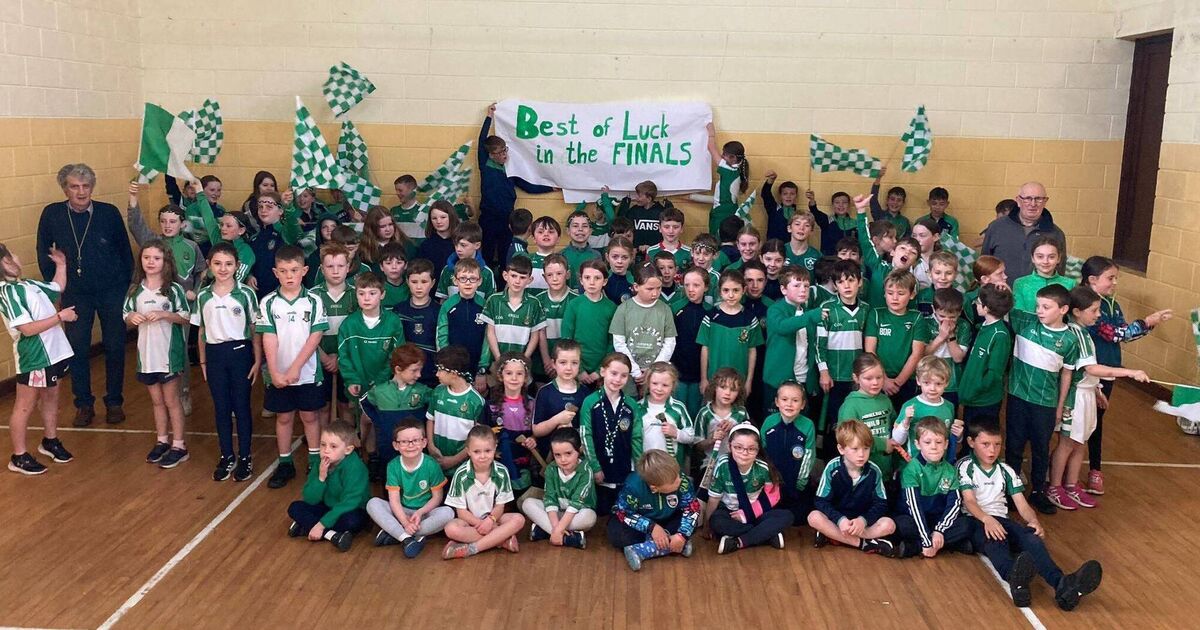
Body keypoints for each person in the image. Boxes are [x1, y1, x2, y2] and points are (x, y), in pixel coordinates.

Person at [958, 420, 1104, 611]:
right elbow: (969, 501)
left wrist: (1033, 521)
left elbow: (1021, 503)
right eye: (985, 444)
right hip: (977, 520)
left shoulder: (1005, 469)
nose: (992, 450)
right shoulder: (965, 466)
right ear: (971, 442)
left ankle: (1063, 585)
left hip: (1002, 520)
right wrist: (986, 519)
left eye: (997, 444)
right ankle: (1015, 579)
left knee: (1031, 539)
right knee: (996, 545)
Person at [36, 163, 132, 427]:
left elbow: (125, 253)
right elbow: (44, 253)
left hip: (111, 290)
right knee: (77, 348)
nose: (81, 192)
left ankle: (114, 402)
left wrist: (125, 287)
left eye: (86, 186)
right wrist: (55, 289)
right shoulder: (52, 214)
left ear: (92, 187)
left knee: (114, 347)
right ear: (65, 189)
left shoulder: (108, 213)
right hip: (76, 294)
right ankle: (84, 404)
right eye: (74, 186)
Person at [1047, 286, 1150, 511]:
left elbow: (1084, 371)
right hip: (1075, 398)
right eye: (1094, 310)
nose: (1098, 314)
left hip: (1087, 395)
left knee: (1080, 442)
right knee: (1067, 443)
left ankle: (1072, 485)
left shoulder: (1084, 333)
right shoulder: (1075, 333)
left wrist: (1096, 391)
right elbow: (1090, 368)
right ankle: (1055, 486)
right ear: (1076, 312)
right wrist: (1130, 372)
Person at [1079, 256, 1171, 495]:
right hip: (1088, 372)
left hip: (1109, 371)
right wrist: (1145, 322)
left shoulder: (1112, 304)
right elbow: (1112, 333)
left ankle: (1094, 470)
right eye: (1110, 278)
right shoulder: (1084, 304)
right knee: (1076, 425)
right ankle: (1058, 473)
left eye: (1115, 278)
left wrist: (1149, 325)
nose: (1114, 283)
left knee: (1097, 423)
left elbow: (1125, 335)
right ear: (1092, 280)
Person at [0, 243, 76, 475]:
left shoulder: (29, 284)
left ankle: (50, 441)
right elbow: (27, 329)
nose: (16, 258)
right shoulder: (7, 292)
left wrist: (61, 265)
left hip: (56, 352)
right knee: (25, 405)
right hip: (34, 357)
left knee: (52, 397)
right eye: (10, 256)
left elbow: (57, 287)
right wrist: (60, 317)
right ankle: (19, 455)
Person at [258, 245, 329, 489]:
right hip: (279, 374)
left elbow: (315, 337)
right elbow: (268, 337)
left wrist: (296, 368)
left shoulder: (314, 301)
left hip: (307, 372)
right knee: (284, 417)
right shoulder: (268, 302)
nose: (289, 276)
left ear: (304, 271)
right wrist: (275, 371)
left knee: (310, 416)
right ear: (275, 272)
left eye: (294, 270)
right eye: (284, 271)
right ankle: (285, 462)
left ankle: (315, 459)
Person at [1007, 284, 1079, 515]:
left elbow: (1067, 373)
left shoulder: (1070, 339)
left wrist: (1059, 406)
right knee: (1014, 446)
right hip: (1018, 397)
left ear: (1063, 309)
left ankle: (1038, 492)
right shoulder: (1025, 323)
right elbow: (1002, 306)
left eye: (1046, 307)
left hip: (1045, 403)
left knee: (1040, 448)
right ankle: (1011, 491)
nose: (1039, 310)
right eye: (1038, 306)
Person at [193, 243, 261, 482]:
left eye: (228, 264)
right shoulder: (203, 295)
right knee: (221, 407)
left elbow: (254, 329)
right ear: (209, 265)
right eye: (217, 263)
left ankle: (245, 456)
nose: (223, 269)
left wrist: (257, 359)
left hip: (240, 353)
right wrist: (202, 362)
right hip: (214, 356)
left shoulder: (246, 294)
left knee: (241, 406)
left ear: (237, 266)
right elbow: (201, 330)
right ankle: (226, 455)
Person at [124, 241, 192, 469]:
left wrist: (165, 314)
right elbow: (126, 314)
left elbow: (185, 316)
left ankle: (179, 445)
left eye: (156, 258)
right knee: (156, 401)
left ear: (166, 262)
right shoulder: (135, 289)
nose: (151, 262)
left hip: (168, 354)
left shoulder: (173, 290)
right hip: (146, 355)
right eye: (146, 258)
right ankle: (162, 440)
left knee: (172, 400)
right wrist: (131, 317)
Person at [478, 103, 556, 267]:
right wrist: (489, 117)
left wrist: (550, 187)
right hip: (489, 217)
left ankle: (504, 282)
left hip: (508, 218)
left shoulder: (510, 168)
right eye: (499, 153)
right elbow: (481, 140)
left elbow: (528, 186)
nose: (504, 155)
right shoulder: (485, 165)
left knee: (506, 254)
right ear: (491, 155)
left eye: (505, 150)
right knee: (487, 252)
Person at [366, 418, 454, 558]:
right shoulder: (393, 466)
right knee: (373, 504)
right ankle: (407, 538)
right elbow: (394, 501)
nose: (410, 445)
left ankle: (397, 534)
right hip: (402, 511)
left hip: (425, 513)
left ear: (424, 442)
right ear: (396, 445)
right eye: (404, 442)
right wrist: (404, 521)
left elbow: (437, 497)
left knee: (448, 513)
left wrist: (420, 513)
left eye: (415, 440)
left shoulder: (431, 465)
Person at [806, 420, 896, 555]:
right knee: (813, 517)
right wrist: (840, 520)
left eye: (866, 448)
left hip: (862, 522)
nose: (861, 454)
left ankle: (835, 536)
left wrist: (863, 520)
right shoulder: (832, 468)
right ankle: (863, 544)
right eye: (855, 449)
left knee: (889, 525)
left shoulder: (874, 471)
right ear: (841, 449)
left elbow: (881, 504)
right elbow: (821, 501)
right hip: (838, 520)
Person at [705, 423, 793, 553]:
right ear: (730, 447)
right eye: (738, 447)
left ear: (758, 450)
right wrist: (707, 526)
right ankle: (765, 535)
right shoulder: (723, 465)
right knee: (717, 521)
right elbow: (713, 499)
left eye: (751, 449)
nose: (744, 453)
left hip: (755, 512)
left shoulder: (763, 468)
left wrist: (746, 515)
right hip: (729, 512)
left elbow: (773, 496)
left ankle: (738, 542)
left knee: (787, 516)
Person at [442, 425, 527, 559]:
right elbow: (461, 511)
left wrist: (490, 521)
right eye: (477, 451)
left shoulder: (501, 472)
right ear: (468, 451)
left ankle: (472, 548)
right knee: (451, 529)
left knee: (518, 519)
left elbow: (500, 506)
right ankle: (501, 539)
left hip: (494, 519)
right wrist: (479, 523)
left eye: (487, 451)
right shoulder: (461, 474)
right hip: (470, 522)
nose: (482, 456)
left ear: (494, 449)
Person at [608, 449, 700, 571]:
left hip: (669, 519)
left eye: (678, 474)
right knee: (616, 534)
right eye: (673, 481)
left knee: (692, 524)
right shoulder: (633, 486)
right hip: (643, 523)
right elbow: (623, 513)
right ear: (654, 488)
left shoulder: (681, 481)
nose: (679, 480)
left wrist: (682, 535)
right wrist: (652, 528)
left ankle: (643, 550)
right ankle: (673, 545)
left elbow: (691, 508)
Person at [286, 420, 370, 552]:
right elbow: (310, 499)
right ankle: (332, 536)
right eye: (323, 445)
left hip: (351, 509)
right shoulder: (321, 463)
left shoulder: (355, 468)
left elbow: (350, 502)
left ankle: (308, 526)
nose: (326, 451)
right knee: (295, 508)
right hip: (328, 507)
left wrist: (321, 524)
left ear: (348, 450)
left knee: (353, 521)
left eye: (333, 447)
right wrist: (321, 478)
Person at [893, 418, 970, 558]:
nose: (934, 447)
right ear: (917, 444)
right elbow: (914, 507)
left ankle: (916, 547)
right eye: (927, 442)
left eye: (939, 442)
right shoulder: (911, 470)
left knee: (966, 524)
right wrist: (926, 540)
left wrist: (940, 530)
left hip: (937, 520)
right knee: (902, 525)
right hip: (915, 518)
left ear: (946, 444)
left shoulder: (950, 471)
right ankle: (943, 544)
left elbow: (955, 504)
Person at [579, 353, 642, 514]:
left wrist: (639, 469)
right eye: (614, 373)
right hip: (598, 471)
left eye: (624, 375)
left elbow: (636, 439)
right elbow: (585, 437)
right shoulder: (590, 402)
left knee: (621, 513)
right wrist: (595, 467)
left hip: (623, 470)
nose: (617, 379)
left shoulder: (631, 405)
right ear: (603, 372)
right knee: (598, 513)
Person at [816, 260, 869, 448]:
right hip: (834, 375)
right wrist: (823, 371)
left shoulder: (866, 310)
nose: (846, 286)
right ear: (835, 285)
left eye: (851, 280)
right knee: (836, 421)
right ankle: (832, 457)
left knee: (855, 421)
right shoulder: (827, 308)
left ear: (860, 282)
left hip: (857, 377)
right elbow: (818, 344)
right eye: (841, 282)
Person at [521, 427, 596, 549]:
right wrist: (556, 528)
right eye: (557, 455)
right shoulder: (551, 469)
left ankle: (545, 531)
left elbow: (576, 504)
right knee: (527, 504)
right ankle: (568, 538)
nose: (563, 459)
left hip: (576, 515)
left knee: (590, 517)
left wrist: (558, 529)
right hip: (556, 514)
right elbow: (550, 499)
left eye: (568, 453)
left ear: (579, 450)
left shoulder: (586, 471)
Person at [763, 266, 822, 417]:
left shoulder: (806, 312)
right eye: (797, 285)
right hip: (777, 380)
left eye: (807, 286)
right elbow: (783, 327)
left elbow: (810, 347)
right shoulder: (775, 309)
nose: (803, 290)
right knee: (774, 424)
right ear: (783, 289)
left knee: (802, 424)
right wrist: (810, 317)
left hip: (803, 379)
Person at [864, 270, 926, 411]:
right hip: (878, 379)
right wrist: (884, 379)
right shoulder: (876, 314)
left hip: (906, 381)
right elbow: (870, 351)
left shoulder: (916, 318)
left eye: (901, 293)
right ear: (885, 294)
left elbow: (916, 354)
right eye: (890, 293)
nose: (895, 298)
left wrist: (897, 382)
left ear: (911, 295)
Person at [981, 182, 1066, 284]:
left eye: (1038, 199)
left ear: (1045, 201)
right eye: (1027, 198)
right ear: (1018, 201)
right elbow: (984, 264)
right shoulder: (997, 227)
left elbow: (1059, 272)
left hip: (1038, 297)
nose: (1033, 204)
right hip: (1000, 295)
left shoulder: (1055, 234)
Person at [362, 344, 431, 467]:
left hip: (415, 451)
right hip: (387, 448)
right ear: (398, 369)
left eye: (420, 370)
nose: (419, 375)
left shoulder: (423, 391)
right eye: (414, 370)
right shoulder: (379, 391)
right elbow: (366, 404)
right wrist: (380, 422)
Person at [610, 263, 677, 389]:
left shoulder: (665, 309)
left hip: (656, 376)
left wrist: (653, 369)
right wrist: (634, 371)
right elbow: (619, 342)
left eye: (659, 288)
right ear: (636, 287)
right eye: (649, 289)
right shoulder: (623, 309)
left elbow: (670, 342)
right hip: (627, 373)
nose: (655, 293)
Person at [698, 269, 762, 396]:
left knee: (737, 413)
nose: (731, 295)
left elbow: (752, 351)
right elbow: (705, 348)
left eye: (736, 290)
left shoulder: (750, 319)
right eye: (726, 290)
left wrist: (749, 381)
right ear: (720, 291)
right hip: (714, 379)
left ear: (743, 290)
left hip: (739, 382)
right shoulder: (710, 317)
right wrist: (704, 378)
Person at [760, 382, 817, 525]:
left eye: (795, 400)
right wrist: (766, 480)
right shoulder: (769, 422)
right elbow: (761, 453)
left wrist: (800, 484)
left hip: (795, 485)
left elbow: (808, 458)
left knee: (800, 518)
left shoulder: (808, 425)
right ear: (777, 402)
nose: (789, 404)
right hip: (770, 483)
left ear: (802, 404)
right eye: (784, 399)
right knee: (764, 513)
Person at [837, 353, 899, 481]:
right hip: (860, 474)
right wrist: (882, 444)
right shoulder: (851, 405)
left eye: (879, 377)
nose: (875, 383)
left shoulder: (885, 400)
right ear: (856, 378)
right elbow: (848, 438)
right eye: (868, 378)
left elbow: (895, 424)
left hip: (885, 470)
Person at [960, 285, 1014, 427]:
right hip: (972, 397)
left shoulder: (1000, 335)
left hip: (983, 401)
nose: (976, 304)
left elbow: (994, 373)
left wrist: (975, 389)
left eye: (978, 302)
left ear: (986, 308)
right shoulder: (984, 326)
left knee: (981, 438)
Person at [426, 345, 487, 472]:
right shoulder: (437, 392)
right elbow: (430, 419)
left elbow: (478, 437)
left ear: (453, 374)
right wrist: (431, 446)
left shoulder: (476, 401)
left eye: (439, 370)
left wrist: (454, 460)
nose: (436, 374)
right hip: (437, 461)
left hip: (463, 467)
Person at [436, 258, 491, 390]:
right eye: (463, 278)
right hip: (453, 368)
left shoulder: (485, 306)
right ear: (455, 280)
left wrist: (482, 369)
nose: (468, 283)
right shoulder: (448, 305)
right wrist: (446, 364)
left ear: (480, 281)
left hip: (477, 366)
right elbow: (441, 336)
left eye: (473, 279)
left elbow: (488, 339)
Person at [484, 353, 536, 490]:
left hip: (525, 463)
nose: (514, 378)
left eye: (519, 374)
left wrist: (533, 439)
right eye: (509, 373)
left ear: (526, 378)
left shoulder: (532, 404)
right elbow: (483, 434)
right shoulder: (491, 405)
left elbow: (537, 432)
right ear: (501, 376)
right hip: (498, 463)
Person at [561, 259, 616, 387]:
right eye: (587, 277)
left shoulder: (611, 308)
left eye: (597, 278)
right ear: (581, 280)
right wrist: (579, 369)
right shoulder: (574, 305)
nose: (592, 282)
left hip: (602, 370)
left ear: (605, 281)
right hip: (576, 368)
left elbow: (612, 342)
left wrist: (600, 370)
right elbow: (567, 339)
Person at [531, 340, 591, 453]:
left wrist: (572, 430)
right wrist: (557, 420)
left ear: (580, 364)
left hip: (577, 456)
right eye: (563, 362)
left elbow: (589, 430)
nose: (569, 368)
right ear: (553, 364)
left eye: (574, 363)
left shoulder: (585, 393)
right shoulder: (545, 392)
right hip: (549, 457)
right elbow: (536, 431)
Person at [894, 357, 959, 460]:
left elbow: (948, 438)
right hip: (914, 465)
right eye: (927, 383)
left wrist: (959, 436)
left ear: (946, 383)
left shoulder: (949, 406)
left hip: (940, 466)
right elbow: (897, 440)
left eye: (938, 384)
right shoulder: (910, 406)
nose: (932, 388)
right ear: (918, 381)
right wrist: (906, 421)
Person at [482, 255, 544, 361]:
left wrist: (524, 359)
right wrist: (498, 358)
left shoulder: (534, 303)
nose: (517, 281)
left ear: (530, 279)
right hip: (497, 361)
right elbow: (490, 332)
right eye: (513, 276)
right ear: (505, 275)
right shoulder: (494, 300)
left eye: (522, 277)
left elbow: (535, 336)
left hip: (522, 363)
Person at [692, 123, 749, 235]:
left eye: (725, 154)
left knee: (718, 240)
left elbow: (711, 148)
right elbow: (719, 198)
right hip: (726, 211)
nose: (722, 156)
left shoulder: (729, 170)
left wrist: (711, 133)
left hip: (723, 214)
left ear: (733, 158)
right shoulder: (736, 171)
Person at [919, 289, 971, 408]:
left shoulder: (963, 325)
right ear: (933, 309)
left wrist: (950, 336)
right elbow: (923, 354)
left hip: (951, 382)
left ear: (960, 312)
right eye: (942, 316)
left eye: (952, 317)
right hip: (927, 379)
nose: (946, 320)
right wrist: (941, 337)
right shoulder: (925, 322)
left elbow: (958, 358)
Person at [639, 362, 698, 469]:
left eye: (665, 385)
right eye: (655, 383)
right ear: (648, 383)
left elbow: (691, 436)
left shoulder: (678, 408)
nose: (659, 389)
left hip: (671, 468)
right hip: (646, 467)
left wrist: (676, 433)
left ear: (673, 385)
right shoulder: (638, 408)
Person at [671, 267, 711, 416]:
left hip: (699, 375)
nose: (691, 289)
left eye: (696, 285)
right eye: (687, 285)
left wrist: (705, 377)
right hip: (678, 372)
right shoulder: (675, 308)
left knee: (695, 413)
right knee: (678, 413)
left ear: (706, 287)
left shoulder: (710, 312)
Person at [393, 258, 439, 386]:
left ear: (432, 282)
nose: (419, 286)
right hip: (405, 372)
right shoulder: (398, 310)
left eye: (424, 282)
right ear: (407, 282)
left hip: (432, 373)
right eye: (414, 282)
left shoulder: (439, 311)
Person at [1011, 236, 1076, 324]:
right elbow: (1019, 315)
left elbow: (1070, 317)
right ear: (1033, 258)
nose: (1045, 261)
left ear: (1059, 258)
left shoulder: (1069, 284)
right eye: (1040, 257)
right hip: (1027, 332)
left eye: (1051, 257)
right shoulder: (1020, 283)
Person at [435, 222, 496, 300]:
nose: (458, 249)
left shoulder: (487, 273)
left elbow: (490, 304)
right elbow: (443, 302)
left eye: (463, 245)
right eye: (456, 244)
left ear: (477, 245)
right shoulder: (447, 270)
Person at [415, 200, 459, 280]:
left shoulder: (460, 243)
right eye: (434, 218)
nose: (438, 221)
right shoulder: (426, 245)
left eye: (443, 217)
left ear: (451, 217)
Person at [808, 190, 857, 256]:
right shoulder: (827, 220)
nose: (841, 205)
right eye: (837, 202)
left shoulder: (856, 223)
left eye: (844, 202)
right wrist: (812, 200)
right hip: (829, 261)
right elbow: (815, 212)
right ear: (832, 205)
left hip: (849, 262)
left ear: (849, 205)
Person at [869, 166, 910, 238]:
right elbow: (873, 200)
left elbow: (907, 240)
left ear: (903, 203)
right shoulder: (879, 215)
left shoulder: (905, 221)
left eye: (899, 200)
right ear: (887, 200)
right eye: (892, 199)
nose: (895, 203)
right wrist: (878, 178)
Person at [760, 171, 800, 243]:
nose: (788, 196)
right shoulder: (774, 209)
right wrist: (771, 180)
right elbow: (765, 193)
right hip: (773, 247)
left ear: (796, 196)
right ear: (780, 196)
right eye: (785, 194)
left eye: (792, 194)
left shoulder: (798, 214)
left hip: (791, 249)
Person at [602, 237, 636, 304]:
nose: (619, 261)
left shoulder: (635, 283)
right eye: (615, 257)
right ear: (607, 257)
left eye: (624, 257)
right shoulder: (600, 281)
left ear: (631, 258)